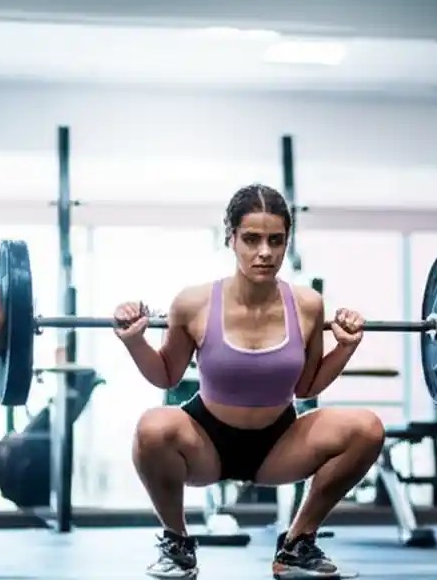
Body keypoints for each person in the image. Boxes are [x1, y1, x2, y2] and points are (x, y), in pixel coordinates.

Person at [114, 183, 386, 580]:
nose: (265, 252)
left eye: (276, 240)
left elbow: (306, 388)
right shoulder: (193, 302)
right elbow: (167, 375)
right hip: (205, 441)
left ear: (287, 242)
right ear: (231, 238)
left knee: (367, 429)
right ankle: (176, 545)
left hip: (278, 442)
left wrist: (344, 347)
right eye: (252, 239)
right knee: (151, 426)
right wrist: (134, 341)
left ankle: (297, 545)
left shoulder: (307, 304)